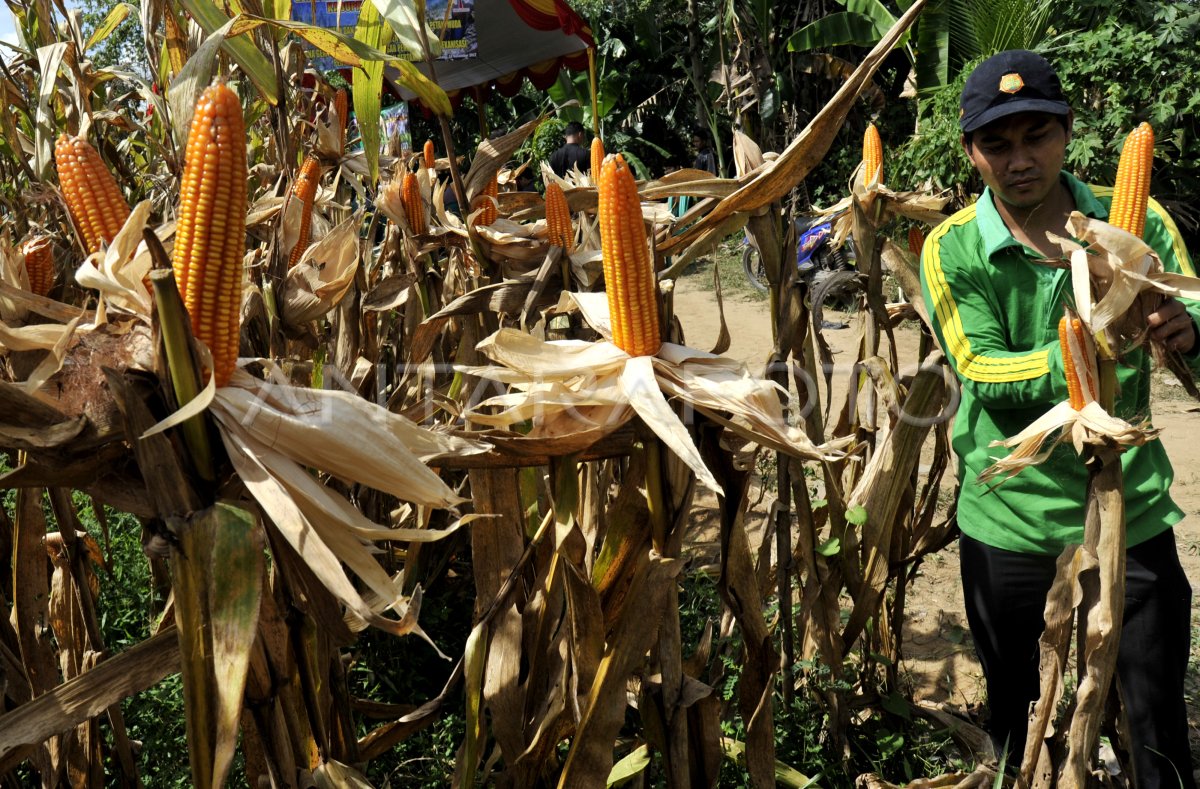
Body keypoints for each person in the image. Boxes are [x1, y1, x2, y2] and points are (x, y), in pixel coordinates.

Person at [918, 50, 1199, 787]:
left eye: (1036, 136)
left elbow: (1191, 297)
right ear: (970, 151)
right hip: (1011, 518)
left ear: (1068, 133)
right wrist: (1091, 336)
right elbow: (983, 371)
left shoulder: (1140, 221)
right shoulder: (951, 249)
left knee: (1158, 727)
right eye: (998, 145)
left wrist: (1187, 325)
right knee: (1021, 727)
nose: (1019, 161)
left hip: (1130, 512)